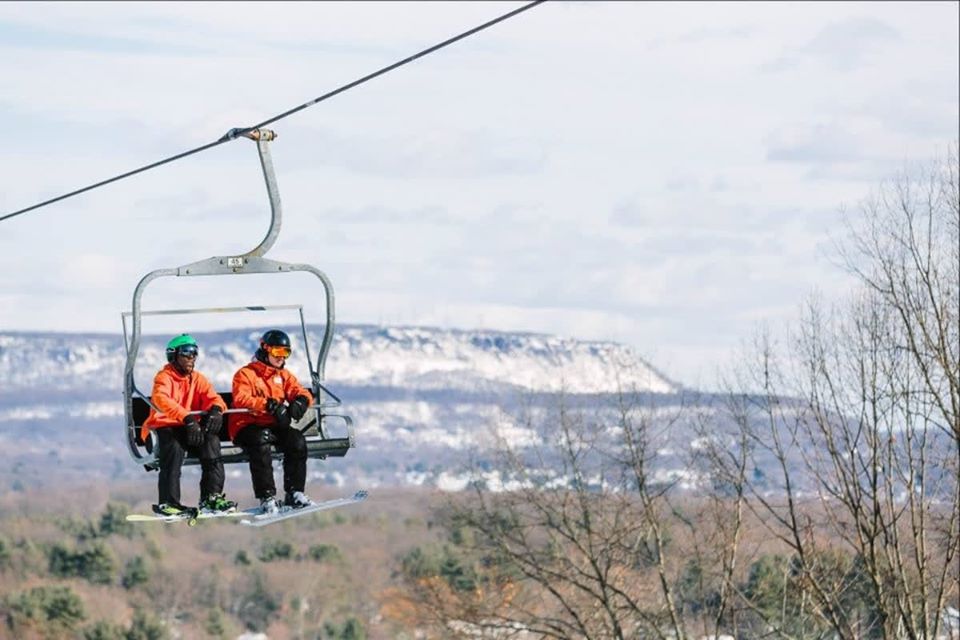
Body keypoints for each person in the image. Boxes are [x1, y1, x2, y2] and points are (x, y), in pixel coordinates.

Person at [142, 334, 237, 516]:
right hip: (162, 429)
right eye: (186, 353)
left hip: (189, 430)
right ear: (174, 356)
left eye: (194, 353)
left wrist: (217, 409)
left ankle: (211, 497)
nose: (191, 358)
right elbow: (162, 400)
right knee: (174, 448)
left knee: (211, 442)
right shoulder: (164, 378)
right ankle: (168, 502)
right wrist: (187, 418)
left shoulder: (197, 379)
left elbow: (212, 397)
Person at [229, 329, 315, 514]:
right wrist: (268, 405)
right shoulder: (245, 374)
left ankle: (295, 492)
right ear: (265, 349)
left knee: (297, 440)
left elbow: (300, 390)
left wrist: (302, 400)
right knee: (260, 441)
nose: (281, 358)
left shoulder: (283, 376)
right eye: (277, 352)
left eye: (286, 353)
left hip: (272, 425)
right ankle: (266, 496)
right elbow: (241, 399)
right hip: (246, 426)